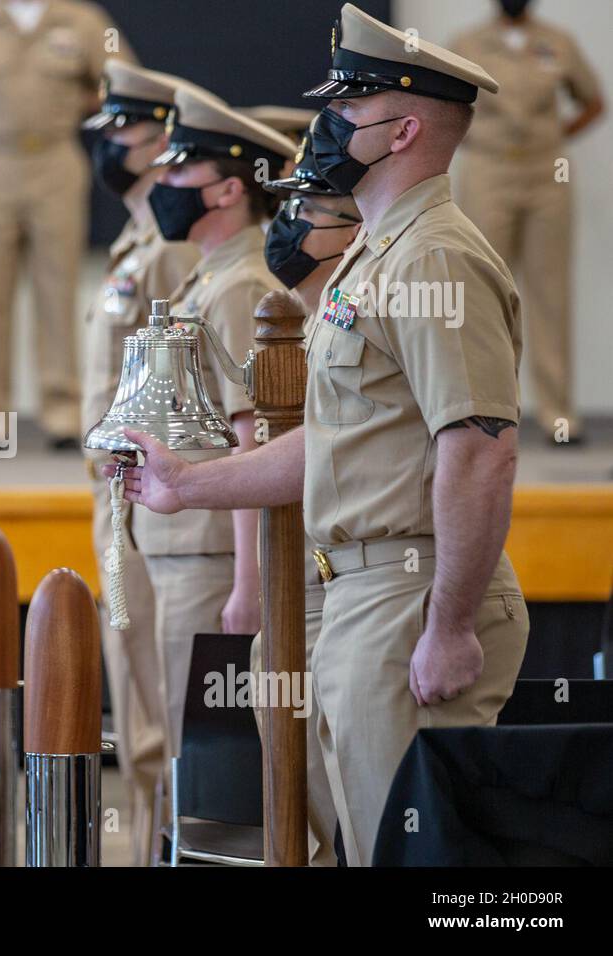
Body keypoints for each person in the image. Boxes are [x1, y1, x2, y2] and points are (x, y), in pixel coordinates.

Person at [111, 3, 530, 867]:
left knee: (415, 863)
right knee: (367, 849)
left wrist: (451, 622)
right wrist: (188, 484)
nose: (326, 127)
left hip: (411, 589)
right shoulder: (379, 257)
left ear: (404, 127)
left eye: (347, 109)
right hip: (359, 591)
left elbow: (480, 445)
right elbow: (341, 439)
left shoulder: (433, 259)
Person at [139, 81, 296, 808]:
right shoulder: (210, 279)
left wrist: (248, 584)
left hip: (209, 559)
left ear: (231, 187)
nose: (161, 184)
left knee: (209, 777)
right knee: (181, 756)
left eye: (179, 172)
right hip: (182, 549)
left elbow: (252, 438)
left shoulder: (240, 288)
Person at [0, 0, 133, 448]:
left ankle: (62, 410)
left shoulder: (82, 20)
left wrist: (75, 102)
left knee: (58, 287)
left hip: (57, 158)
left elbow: (125, 83)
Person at [80, 58, 197, 866]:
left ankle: (168, 841)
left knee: (154, 685)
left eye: (123, 131)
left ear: (161, 140)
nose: (109, 146)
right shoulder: (135, 240)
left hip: (147, 486)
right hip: (117, 488)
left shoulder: (167, 247)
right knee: (132, 676)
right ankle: (153, 833)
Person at [252, 133, 364, 866]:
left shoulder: (390, 290)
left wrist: (191, 486)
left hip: (384, 574)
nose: (290, 223)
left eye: (309, 206)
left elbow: (307, 449)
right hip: (327, 571)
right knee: (324, 822)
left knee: (375, 824)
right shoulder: (322, 308)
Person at [450, 0, 604, 442]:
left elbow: (594, 101)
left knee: (551, 292)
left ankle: (559, 415)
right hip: (489, 172)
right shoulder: (468, 44)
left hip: (546, 174)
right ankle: (488, 413)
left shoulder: (556, 42)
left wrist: (555, 138)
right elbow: (445, 104)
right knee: (485, 290)